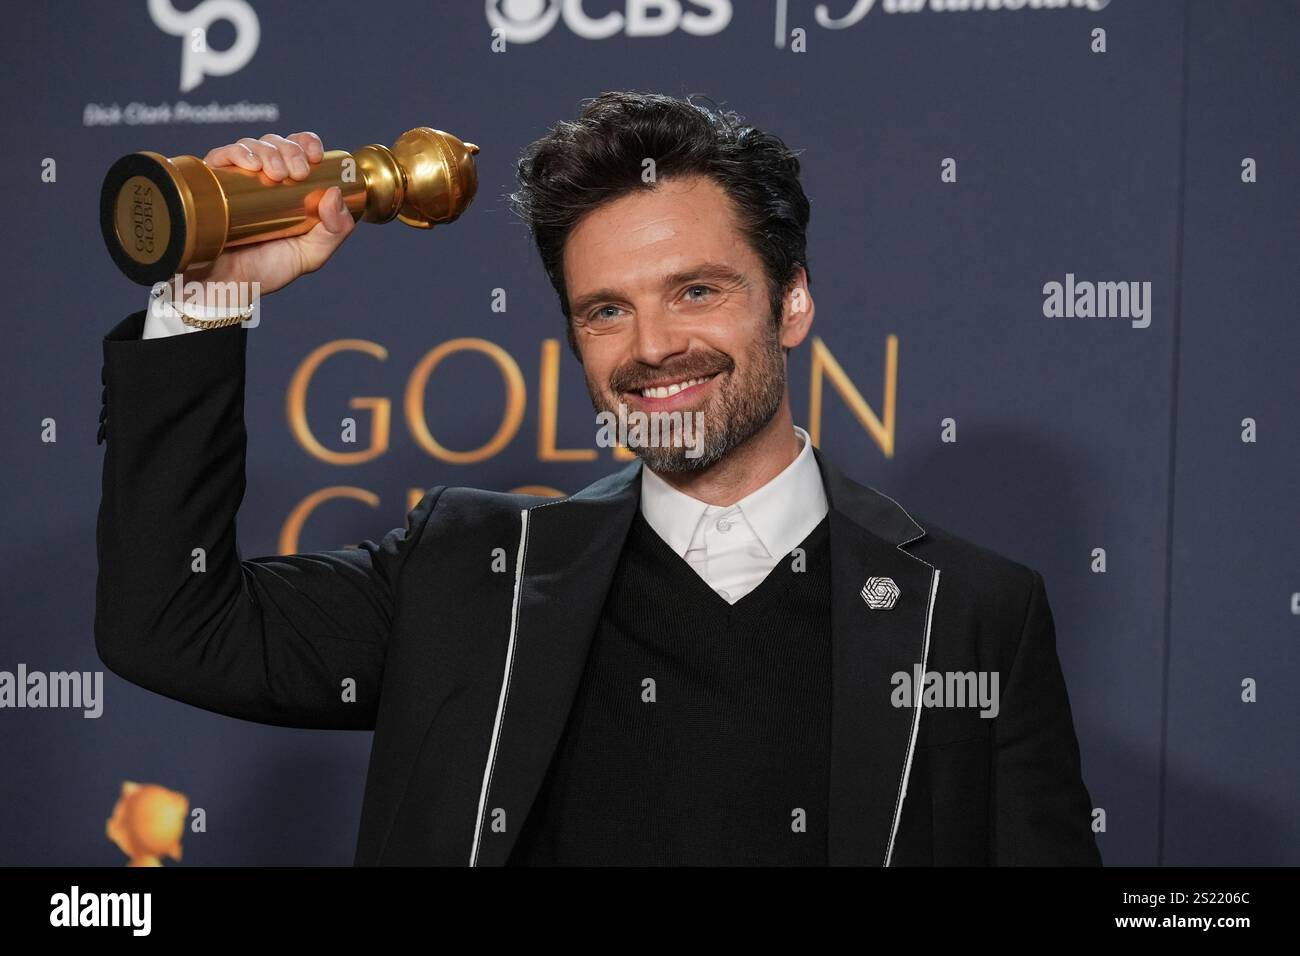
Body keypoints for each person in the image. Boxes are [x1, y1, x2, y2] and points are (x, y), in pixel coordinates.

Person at [95, 91, 1101, 866]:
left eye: (696, 291)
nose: (653, 346)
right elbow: (170, 620)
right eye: (605, 310)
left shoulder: (970, 612)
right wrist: (211, 295)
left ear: (790, 303)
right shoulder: (469, 573)